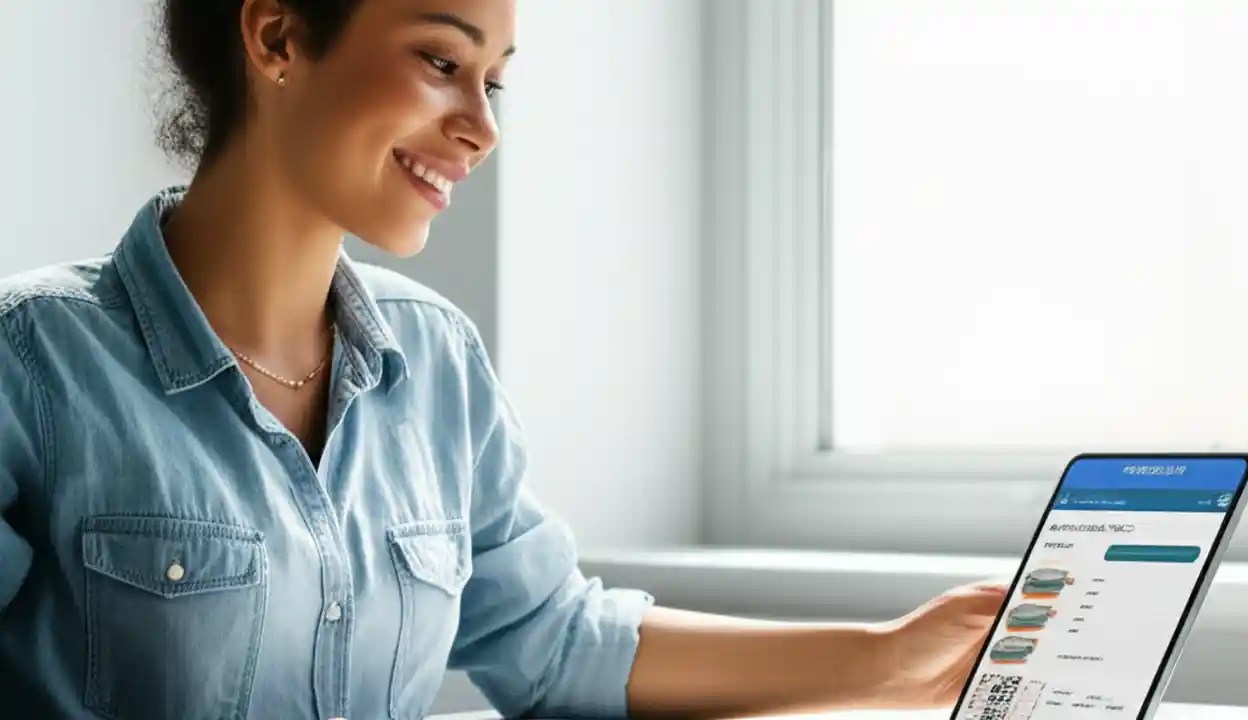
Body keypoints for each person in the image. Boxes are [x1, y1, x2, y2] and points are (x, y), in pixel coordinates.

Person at [0, 0, 1005, 717]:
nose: (482, 127)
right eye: (442, 63)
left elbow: (556, 643)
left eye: (496, 82)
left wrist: (886, 663)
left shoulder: (435, 364)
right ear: (277, 35)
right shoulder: (34, 365)